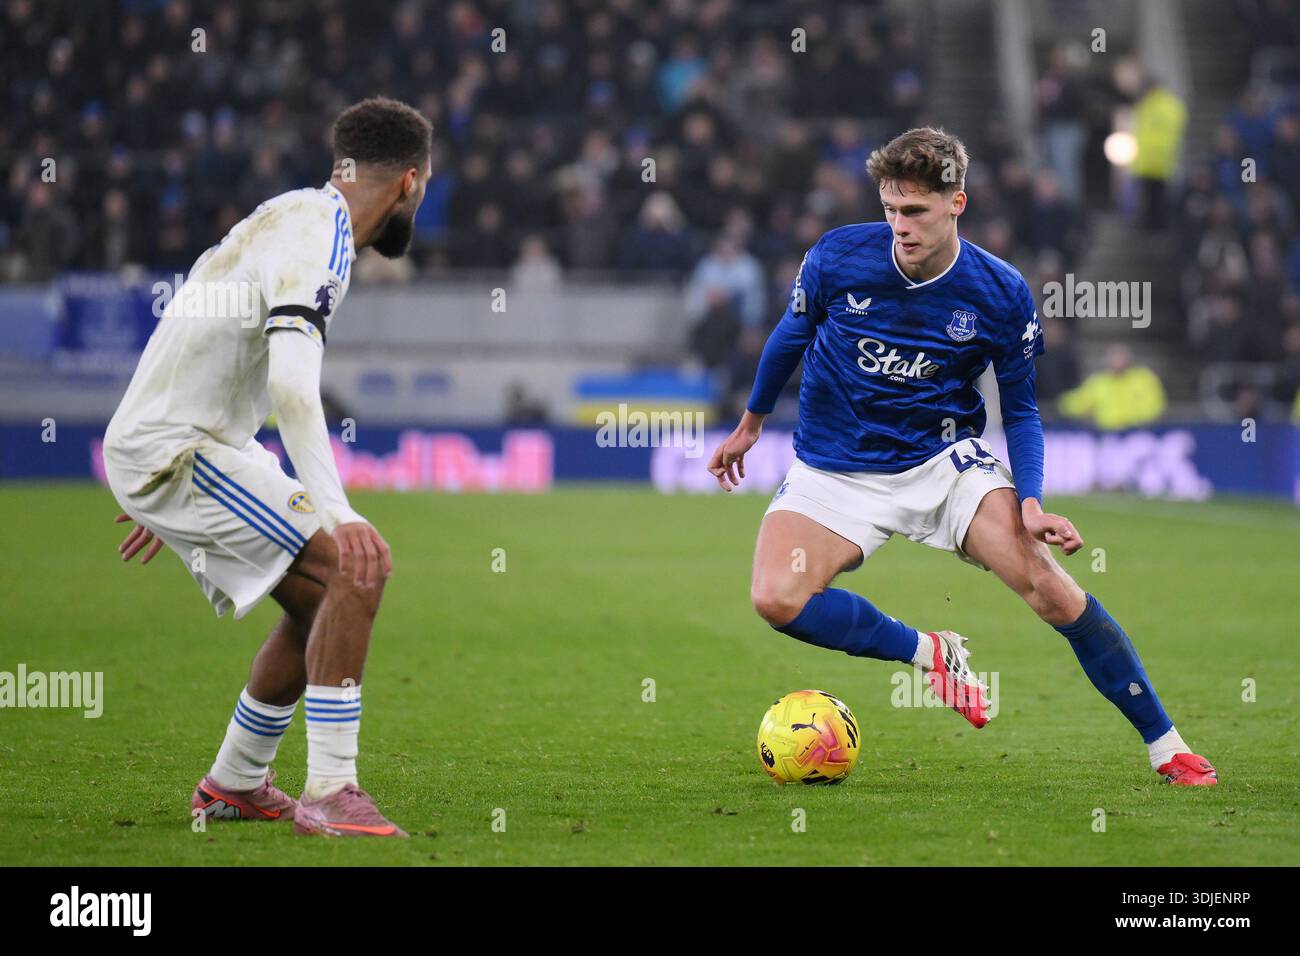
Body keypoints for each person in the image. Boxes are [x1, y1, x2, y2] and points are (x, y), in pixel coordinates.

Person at [706, 127, 1216, 786]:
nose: (900, 226)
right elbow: (789, 335)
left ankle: (1166, 744)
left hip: (941, 465)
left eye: (915, 211)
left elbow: (1023, 411)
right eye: (890, 209)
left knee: (1051, 591)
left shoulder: (999, 293)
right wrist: (751, 422)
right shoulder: (838, 257)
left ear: (957, 204)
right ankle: (928, 653)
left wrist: (1030, 502)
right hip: (833, 466)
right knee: (776, 598)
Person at [104, 97, 435, 836]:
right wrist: (339, 513)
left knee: (322, 600)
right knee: (355, 569)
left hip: (186, 440)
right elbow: (291, 382)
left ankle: (235, 784)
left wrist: (161, 472)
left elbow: (198, 325)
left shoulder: (290, 214)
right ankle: (330, 790)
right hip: (182, 445)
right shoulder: (324, 238)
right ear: (410, 182)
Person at [1059, 344, 1166, 429]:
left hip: (1137, 434)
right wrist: (1062, 403)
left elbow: (1154, 406)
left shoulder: (1144, 378)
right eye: (1113, 357)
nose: (1117, 361)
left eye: (1120, 357)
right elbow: (1079, 402)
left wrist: (1128, 422)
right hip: (1108, 436)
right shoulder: (1099, 382)